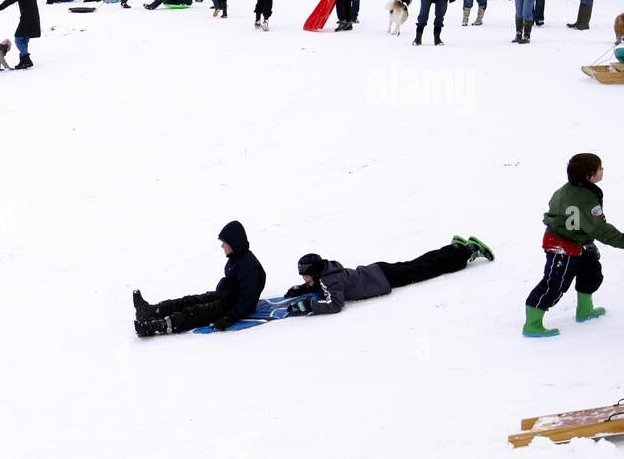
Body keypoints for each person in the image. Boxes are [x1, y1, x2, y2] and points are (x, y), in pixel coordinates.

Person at [524, 153, 624, 337]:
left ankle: (585, 311)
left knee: (591, 273)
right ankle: (532, 324)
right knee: (554, 283)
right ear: (590, 175)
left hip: (580, 243)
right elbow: (599, 229)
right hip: (561, 246)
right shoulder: (583, 199)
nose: (603, 171)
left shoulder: (572, 190)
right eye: (600, 168)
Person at [284, 237, 492, 317]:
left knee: (426, 269)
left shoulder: (330, 280)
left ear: (314, 272)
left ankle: (467, 252)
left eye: (305, 276)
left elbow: (335, 304)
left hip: (384, 279)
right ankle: (453, 248)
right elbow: (322, 286)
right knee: (418, 263)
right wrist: (301, 290)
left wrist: (309, 306)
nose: (304, 279)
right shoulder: (328, 271)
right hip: (378, 271)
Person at [133, 221, 266, 336]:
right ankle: (151, 310)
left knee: (196, 312)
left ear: (234, 243)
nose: (222, 246)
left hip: (232, 306)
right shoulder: (237, 257)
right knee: (189, 301)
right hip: (225, 296)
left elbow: (247, 299)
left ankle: (157, 326)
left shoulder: (248, 265)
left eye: (225, 243)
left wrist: (229, 318)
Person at [0, 0, 40, 70]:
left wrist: (1, 7)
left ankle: (26, 59)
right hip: (34, 18)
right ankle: (24, 61)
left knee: (18, 39)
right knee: (25, 38)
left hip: (27, 19)